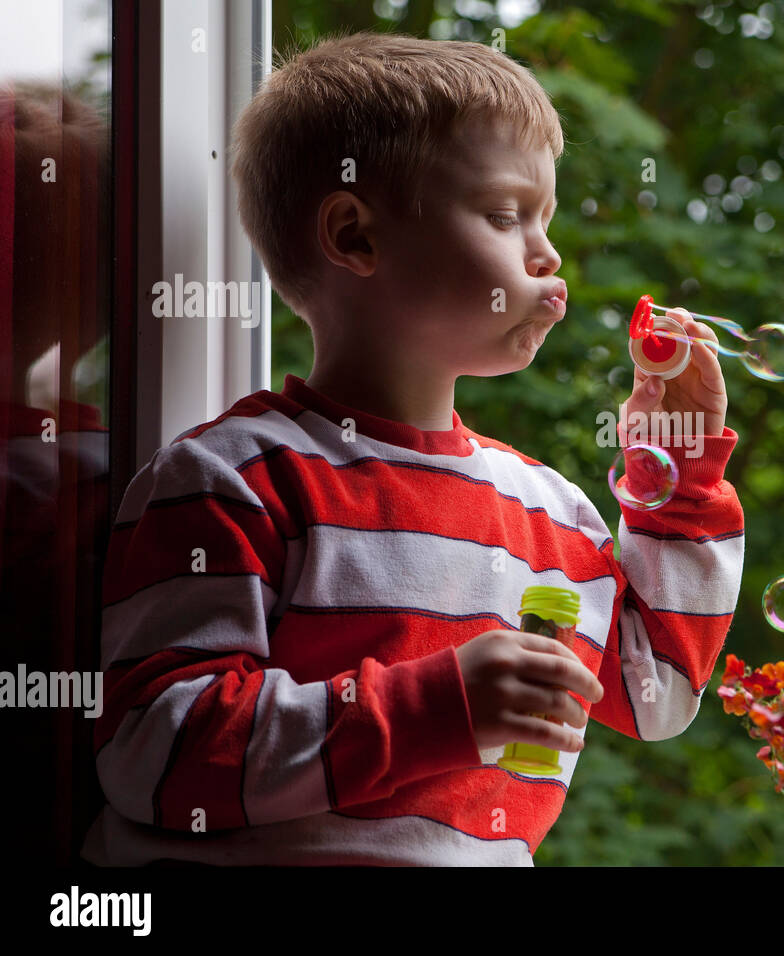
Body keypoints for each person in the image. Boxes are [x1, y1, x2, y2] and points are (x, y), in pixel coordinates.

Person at [81, 33, 744, 866]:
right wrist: (437, 708)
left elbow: (660, 695)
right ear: (355, 236)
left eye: (546, 218)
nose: (548, 254)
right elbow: (158, 752)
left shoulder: (552, 514)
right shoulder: (232, 478)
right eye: (506, 215)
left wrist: (676, 475)